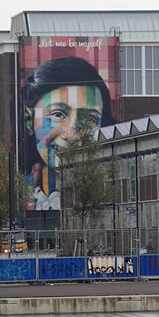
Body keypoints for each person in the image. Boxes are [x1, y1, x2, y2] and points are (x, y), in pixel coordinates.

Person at [23, 57, 115, 210]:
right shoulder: (17, 190)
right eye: (58, 114)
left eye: (89, 118)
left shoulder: (109, 188)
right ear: (29, 119)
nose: (72, 134)